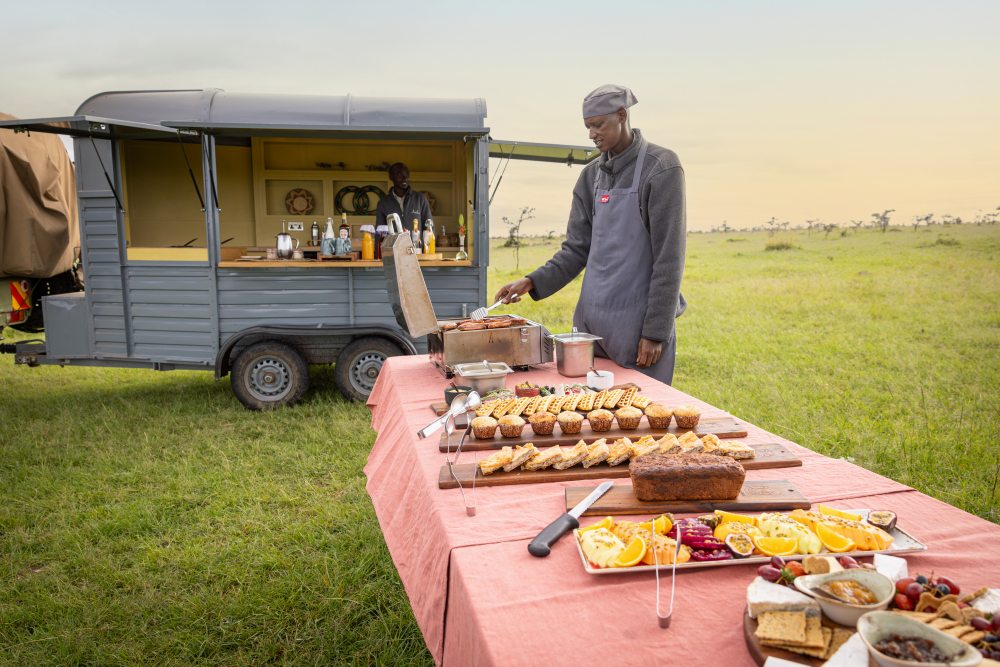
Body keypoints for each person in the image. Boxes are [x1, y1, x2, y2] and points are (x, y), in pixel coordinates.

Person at [494, 84, 687, 384]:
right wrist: (531, 281)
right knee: (591, 414)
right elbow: (576, 249)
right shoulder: (590, 176)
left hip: (636, 327)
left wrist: (655, 332)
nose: (591, 134)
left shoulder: (661, 168)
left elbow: (669, 258)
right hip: (591, 326)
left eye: (599, 125)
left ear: (622, 115)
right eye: (587, 126)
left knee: (638, 416)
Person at [374, 162, 433, 232]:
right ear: (391, 177)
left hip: (416, 243)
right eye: (399, 174)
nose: (405, 178)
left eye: (406, 174)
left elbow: (429, 228)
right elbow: (380, 232)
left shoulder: (420, 199)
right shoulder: (383, 203)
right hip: (393, 243)